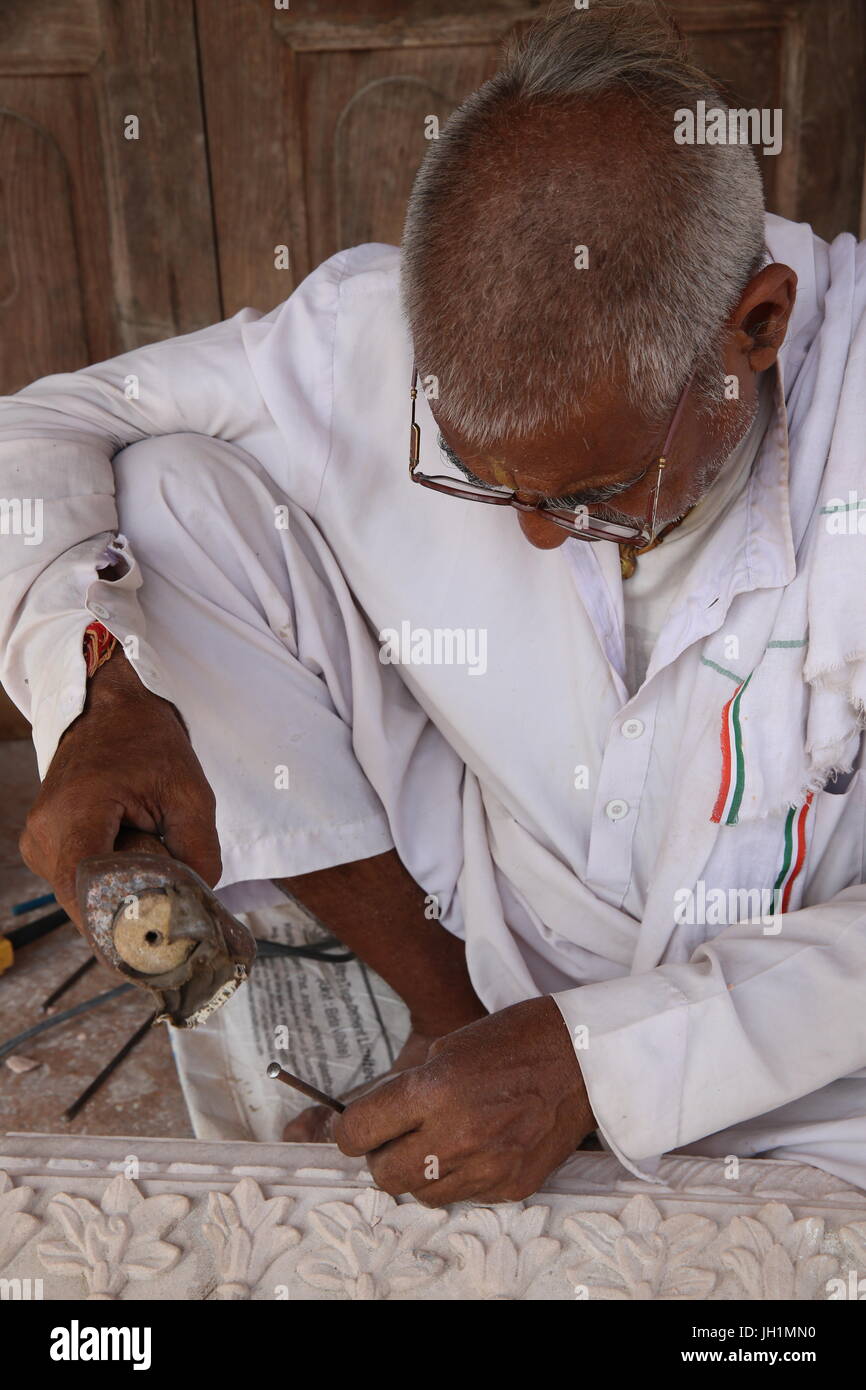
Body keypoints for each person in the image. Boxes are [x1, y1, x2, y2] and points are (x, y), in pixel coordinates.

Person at [3, 1, 866, 1206]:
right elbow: (39, 428)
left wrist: (599, 1065)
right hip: (509, 920)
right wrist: (98, 684)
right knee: (160, 499)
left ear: (755, 327)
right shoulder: (363, 337)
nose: (531, 531)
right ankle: (445, 1023)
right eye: (478, 474)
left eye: (597, 490)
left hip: (814, 1059)